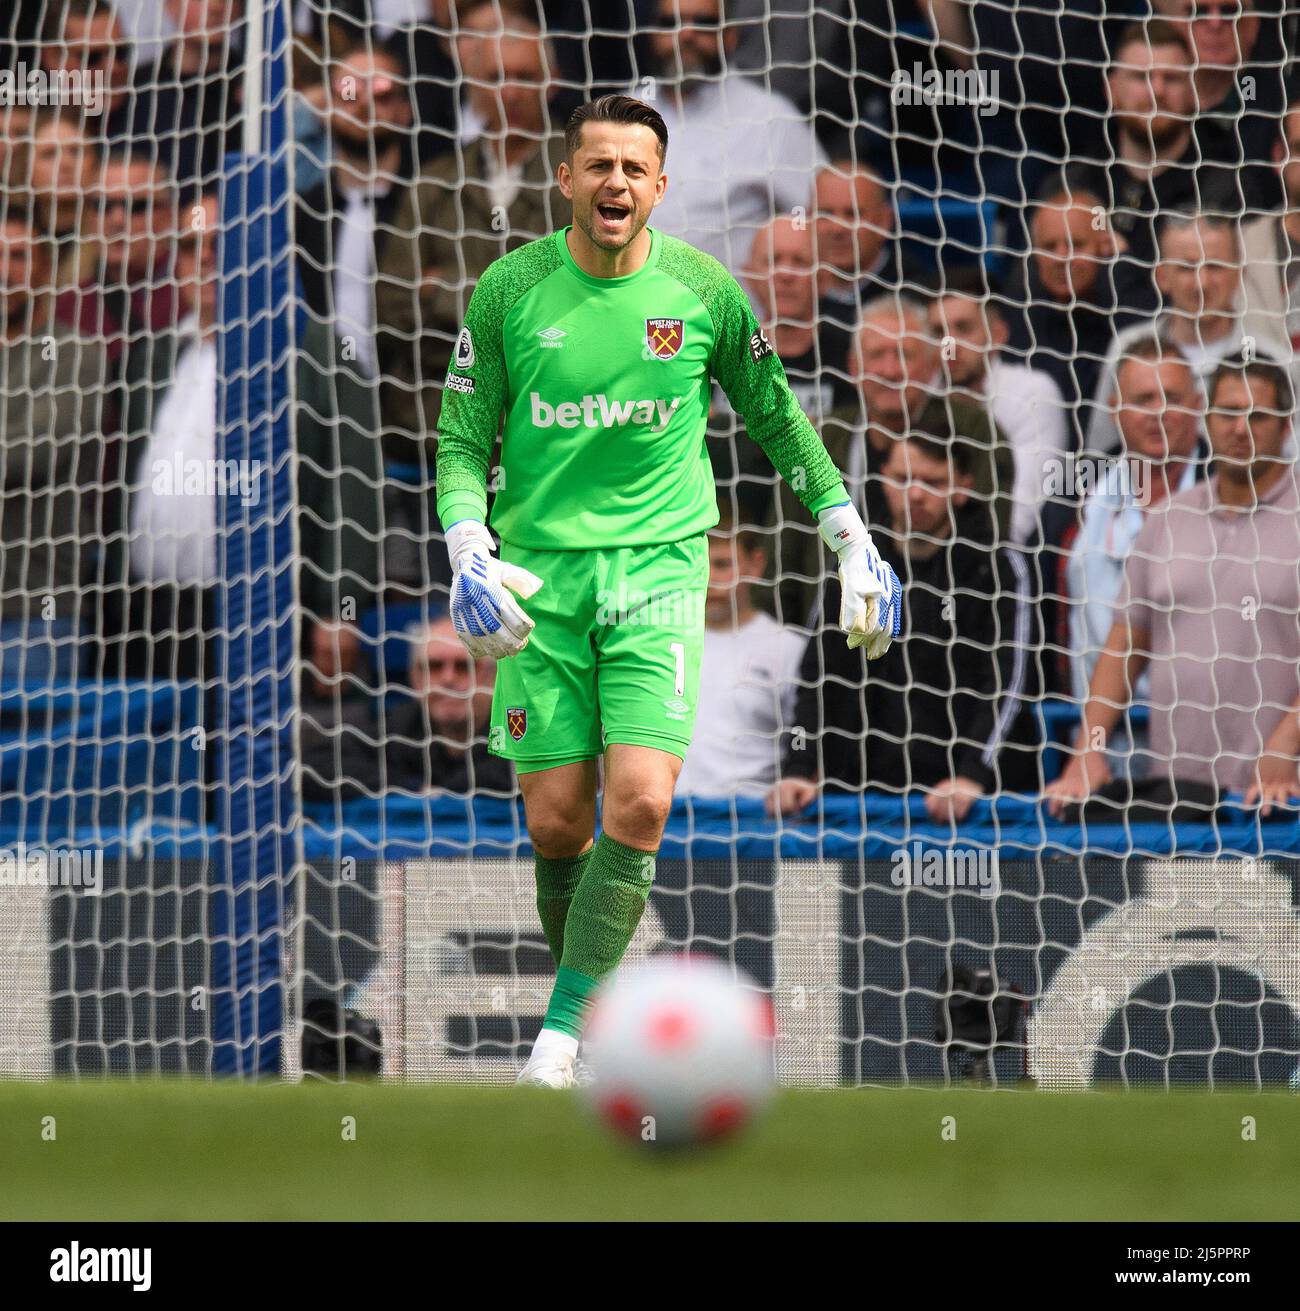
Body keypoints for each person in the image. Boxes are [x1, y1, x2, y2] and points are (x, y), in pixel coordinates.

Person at [434, 94, 901, 1087]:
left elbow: (776, 415)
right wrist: (465, 544)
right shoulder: (509, 289)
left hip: (658, 573)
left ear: (660, 185)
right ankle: (592, 1015)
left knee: (638, 804)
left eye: (633, 169)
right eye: (596, 164)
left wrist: (847, 533)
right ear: (566, 178)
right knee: (558, 821)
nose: (614, 183)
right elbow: (464, 438)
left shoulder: (701, 290)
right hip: (535, 586)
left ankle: (558, 1040)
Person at [1046, 354, 1300, 813]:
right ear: (1208, 419)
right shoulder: (1166, 520)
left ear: (1286, 426)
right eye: (1227, 413)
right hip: (1179, 801)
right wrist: (1089, 749)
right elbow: (1124, 645)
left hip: (1281, 799)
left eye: (1257, 415)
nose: (1240, 428)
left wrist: (1287, 744)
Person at [769, 430, 1040, 824]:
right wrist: (798, 766)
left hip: (973, 807)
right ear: (882, 479)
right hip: (863, 799)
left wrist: (971, 774)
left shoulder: (997, 566)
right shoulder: (855, 565)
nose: (915, 494)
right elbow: (819, 673)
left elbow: (1009, 681)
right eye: (903, 478)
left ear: (962, 487)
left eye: (932, 482)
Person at [375, 3, 567, 441]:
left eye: (524, 76)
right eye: (496, 77)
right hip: (437, 423)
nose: (510, 92)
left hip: (550, 422)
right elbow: (389, 309)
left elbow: (578, 306)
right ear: (474, 85)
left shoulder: (584, 178)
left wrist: (442, 291)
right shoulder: (434, 184)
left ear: (550, 83)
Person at [1064, 337, 1204, 775]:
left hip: (1209, 748)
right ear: (1114, 408)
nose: (1159, 412)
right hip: (1102, 753)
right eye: (1144, 399)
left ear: (1200, 405)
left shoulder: (1241, 493)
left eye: (1173, 398)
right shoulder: (1078, 497)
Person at [636, 0, 824, 275]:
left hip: (736, 312)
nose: (686, 34)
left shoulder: (771, 118)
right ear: (653, 36)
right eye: (671, 23)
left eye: (703, 24)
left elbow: (817, 218)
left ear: (730, 36)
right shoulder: (622, 113)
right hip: (633, 310)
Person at [0, 206, 108, 684]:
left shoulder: (77, 353)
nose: (6, 271)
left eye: (20, 256)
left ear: (45, 267)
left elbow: (30, 456)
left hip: (37, 604)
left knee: (33, 756)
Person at [1086, 212, 1288, 456]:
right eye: (1186, 268)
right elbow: (1100, 454)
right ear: (1161, 276)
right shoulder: (1126, 348)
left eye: (1214, 266)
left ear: (1240, 274)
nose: (1201, 283)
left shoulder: (1275, 359)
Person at [928, 265, 1069, 544]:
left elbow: (1019, 516)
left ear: (999, 334)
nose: (949, 345)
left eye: (963, 329)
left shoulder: (1032, 393)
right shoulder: (919, 396)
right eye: (937, 332)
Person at [674, 505, 805, 798]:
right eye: (698, 567)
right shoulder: (657, 642)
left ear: (755, 564)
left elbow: (806, 742)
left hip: (752, 824)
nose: (708, 581)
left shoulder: (788, 648)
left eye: (721, 565)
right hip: (664, 822)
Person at [383, 617, 514, 795]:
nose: (448, 679)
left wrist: (442, 792)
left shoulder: (520, 733)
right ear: (416, 678)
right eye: (434, 666)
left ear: (493, 677)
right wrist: (412, 787)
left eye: (464, 666)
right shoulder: (398, 727)